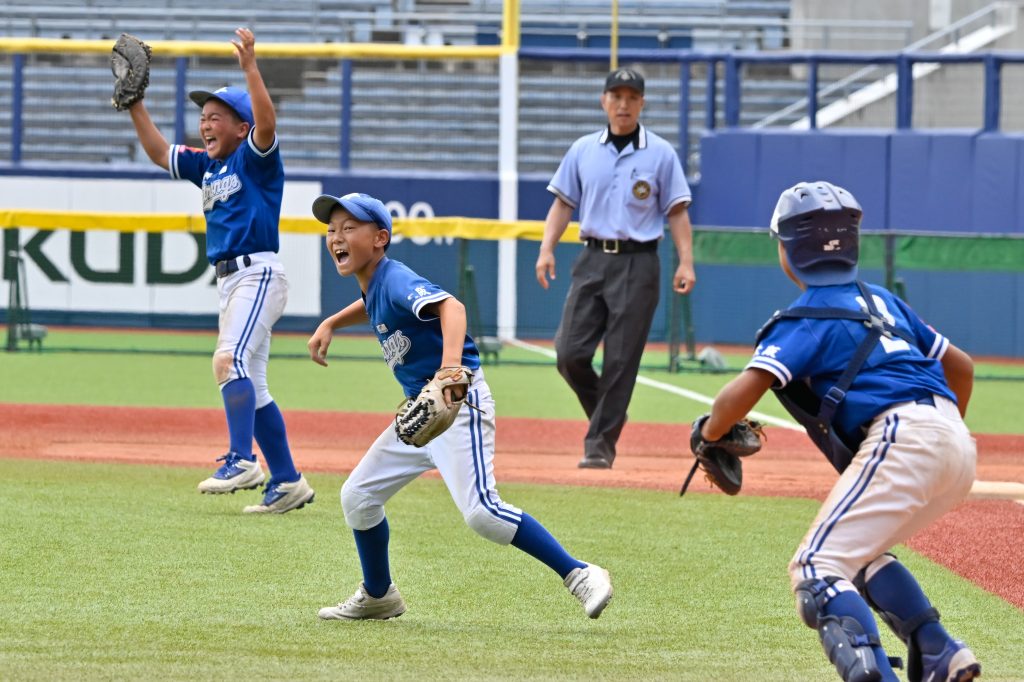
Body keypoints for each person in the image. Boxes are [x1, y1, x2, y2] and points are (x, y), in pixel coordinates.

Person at [696, 181, 980, 682]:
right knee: (859, 554)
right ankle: (937, 651)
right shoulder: (884, 301)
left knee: (815, 570)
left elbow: (738, 395)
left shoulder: (805, 317)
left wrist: (708, 434)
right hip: (955, 442)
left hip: (902, 435)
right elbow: (962, 367)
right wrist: (943, 427)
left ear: (788, 252)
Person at [306, 191, 613, 621]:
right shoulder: (378, 284)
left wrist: (450, 371)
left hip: (456, 402)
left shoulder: (393, 278)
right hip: (422, 414)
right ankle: (379, 595)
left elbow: (452, 307)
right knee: (358, 496)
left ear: (379, 238)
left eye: (349, 228)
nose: (337, 236)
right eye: (331, 230)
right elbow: (373, 305)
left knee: (483, 514)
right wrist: (332, 322)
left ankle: (580, 573)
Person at [122, 28, 313, 514]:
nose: (205, 124)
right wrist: (135, 104)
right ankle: (287, 481)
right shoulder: (207, 168)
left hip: (258, 273)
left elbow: (267, 122)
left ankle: (241, 458)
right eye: (202, 117)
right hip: (230, 282)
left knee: (228, 362)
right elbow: (159, 153)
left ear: (240, 127)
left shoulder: (254, 158)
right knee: (255, 383)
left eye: (215, 118)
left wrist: (251, 67)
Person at [535, 66, 696, 470]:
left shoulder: (660, 153)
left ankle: (599, 445)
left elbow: (676, 211)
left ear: (642, 103)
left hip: (639, 261)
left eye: (631, 97)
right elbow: (562, 204)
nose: (623, 104)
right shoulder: (583, 149)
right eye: (616, 96)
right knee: (569, 353)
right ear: (603, 101)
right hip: (591, 258)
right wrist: (546, 249)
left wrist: (686, 262)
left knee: (621, 360)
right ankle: (610, 417)